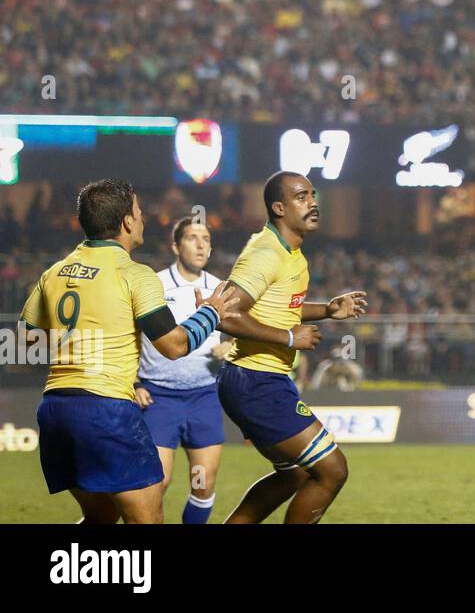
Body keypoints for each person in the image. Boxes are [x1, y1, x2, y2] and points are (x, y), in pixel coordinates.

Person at [20, 179, 237, 523]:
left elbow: (27, 341)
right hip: (106, 409)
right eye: (139, 212)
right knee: (146, 519)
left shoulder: (54, 272)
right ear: (126, 222)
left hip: (56, 410)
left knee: (100, 516)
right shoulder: (136, 275)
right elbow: (175, 345)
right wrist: (211, 312)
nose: (144, 219)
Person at [214, 171, 367, 524]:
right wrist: (288, 337)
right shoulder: (266, 254)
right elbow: (225, 314)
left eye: (313, 194)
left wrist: (326, 310)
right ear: (279, 207)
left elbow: (281, 308)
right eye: (301, 196)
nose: (312, 202)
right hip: (255, 381)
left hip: (260, 380)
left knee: (295, 473)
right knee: (332, 470)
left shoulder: (291, 252)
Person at [135, 215, 230, 523]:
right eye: (192, 238)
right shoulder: (154, 284)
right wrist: (133, 383)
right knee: (156, 485)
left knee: (202, 485)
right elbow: (130, 337)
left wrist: (233, 347)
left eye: (207, 240)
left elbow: (242, 336)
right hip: (158, 397)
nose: (201, 245)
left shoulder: (220, 289)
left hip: (204, 397)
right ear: (175, 245)